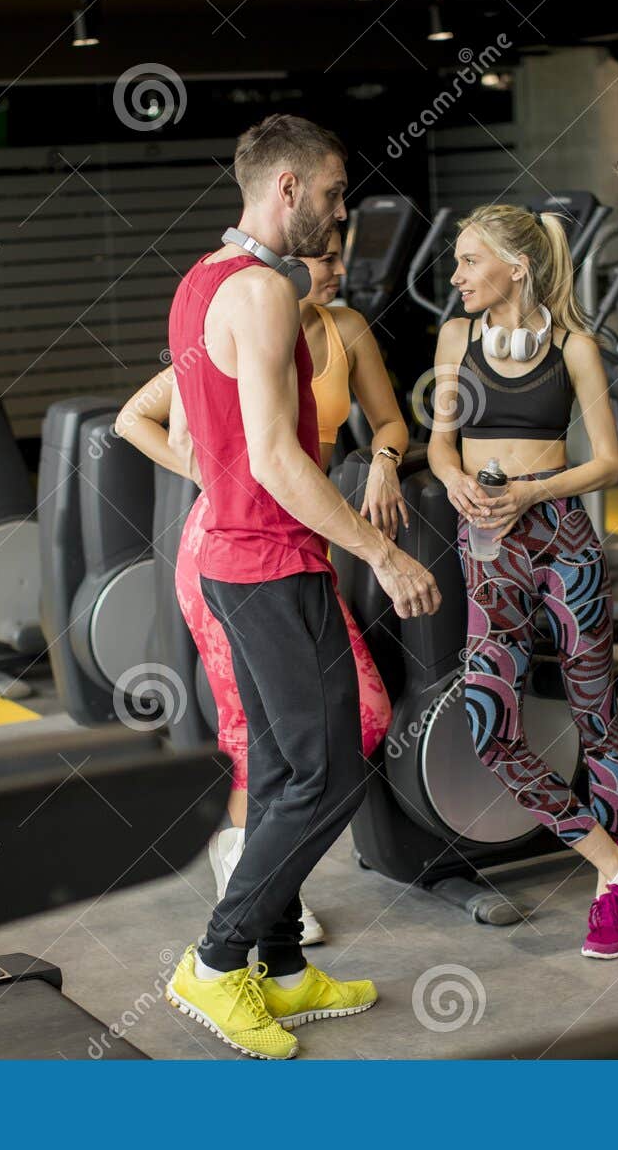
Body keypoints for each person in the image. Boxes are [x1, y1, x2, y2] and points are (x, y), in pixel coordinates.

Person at [158, 114, 440, 1060]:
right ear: (285, 190)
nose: (339, 207)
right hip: (271, 563)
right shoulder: (265, 294)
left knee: (282, 771)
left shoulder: (198, 283)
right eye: (330, 191)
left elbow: (209, 448)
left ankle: (278, 963)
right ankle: (215, 958)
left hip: (239, 560)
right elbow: (277, 458)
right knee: (331, 775)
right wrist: (386, 554)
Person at [115, 220, 410, 947]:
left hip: (308, 535)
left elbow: (391, 421)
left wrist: (384, 458)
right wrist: (219, 477)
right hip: (235, 542)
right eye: (323, 254)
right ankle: (249, 898)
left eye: (342, 251)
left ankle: (266, 906)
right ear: (283, 260)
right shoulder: (240, 317)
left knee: (345, 722)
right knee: (265, 732)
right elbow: (134, 419)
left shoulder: (345, 330)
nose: (336, 266)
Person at [425, 203, 618, 962]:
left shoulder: (575, 348)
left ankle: (609, 896)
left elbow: (608, 462)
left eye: (469, 261)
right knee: (488, 723)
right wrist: (456, 479)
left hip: (561, 536)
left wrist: (532, 490)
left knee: (597, 716)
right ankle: (617, 860)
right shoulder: (454, 339)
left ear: (516, 267)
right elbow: (438, 444)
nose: (457, 276)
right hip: (489, 544)